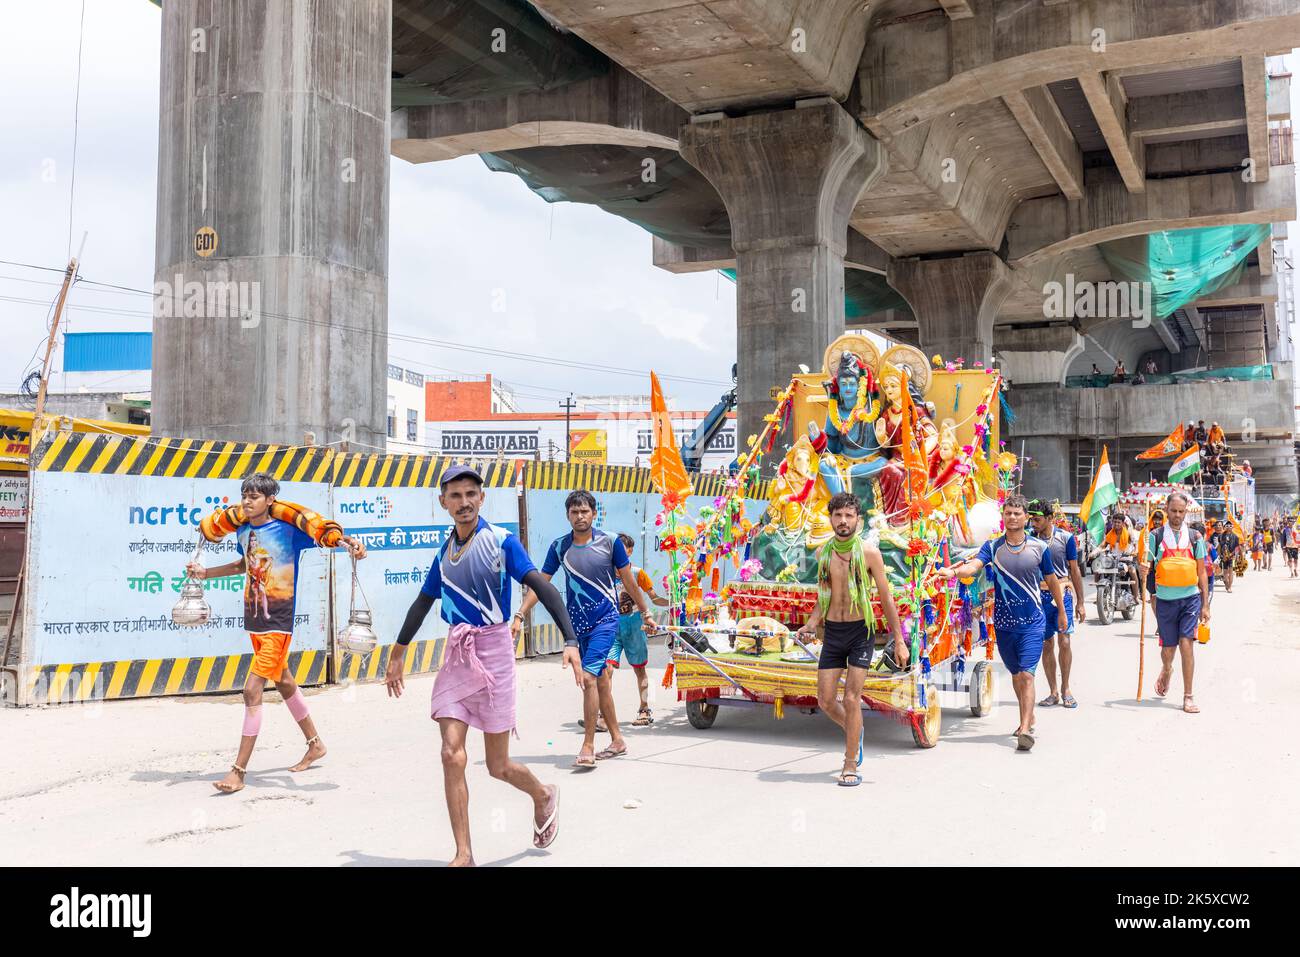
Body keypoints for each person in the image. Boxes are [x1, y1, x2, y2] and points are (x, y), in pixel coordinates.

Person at [384, 464, 578, 865]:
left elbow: (541, 585)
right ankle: (464, 853)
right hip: (458, 654)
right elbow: (423, 602)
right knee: (450, 754)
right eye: (455, 496)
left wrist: (570, 639)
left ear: (482, 498)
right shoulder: (444, 552)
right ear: (443, 503)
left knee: (497, 765)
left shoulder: (501, 541)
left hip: (494, 653)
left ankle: (542, 794)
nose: (464, 502)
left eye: (471, 494)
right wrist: (398, 651)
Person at [186, 472, 368, 795]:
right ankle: (315, 743)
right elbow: (244, 565)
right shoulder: (243, 529)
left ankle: (238, 771)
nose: (247, 501)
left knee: (252, 690)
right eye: (244, 495)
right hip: (254, 620)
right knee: (283, 681)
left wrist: (349, 543)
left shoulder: (288, 529)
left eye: (254, 496)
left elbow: (324, 536)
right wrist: (206, 573)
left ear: (270, 500)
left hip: (278, 623)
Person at [516, 489, 656, 768]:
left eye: (585, 511)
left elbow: (629, 581)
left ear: (594, 513)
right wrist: (520, 614)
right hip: (577, 624)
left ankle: (588, 745)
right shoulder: (559, 547)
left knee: (589, 680)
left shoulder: (611, 542)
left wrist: (646, 612)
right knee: (602, 680)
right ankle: (617, 739)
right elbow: (541, 584)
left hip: (606, 620)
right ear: (568, 515)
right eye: (574, 512)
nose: (580, 516)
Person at [938, 494, 1066, 752]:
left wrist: (1061, 611)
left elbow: (1052, 582)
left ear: (1026, 517)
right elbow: (973, 566)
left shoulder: (1040, 549)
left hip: (1033, 622)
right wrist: (952, 572)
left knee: (1027, 676)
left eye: (1017, 513)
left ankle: (1025, 727)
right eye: (1008, 513)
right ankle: (1028, 715)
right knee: (1017, 676)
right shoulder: (993, 547)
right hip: (1005, 624)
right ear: (1003, 517)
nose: (1012, 517)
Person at [796, 493, 905, 786]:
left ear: (858, 519)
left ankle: (849, 763)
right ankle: (854, 730)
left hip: (860, 632)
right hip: (833, 632)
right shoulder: (822, 554)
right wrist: (811, 622)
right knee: (826, 700)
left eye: (849, 515)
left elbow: (885, 597)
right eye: (838, 515)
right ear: (830, 518)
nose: (843, 521)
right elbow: (823, 596)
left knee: (852, 699)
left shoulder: (870, 553)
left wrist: (899, 639)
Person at [1146, 491, 1210, 713]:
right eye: (1173, 511)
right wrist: (1143, 568)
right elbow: (1147, 565)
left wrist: (1205, 605)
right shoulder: (1155, 535)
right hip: (1164, 600)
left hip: (1190, 599)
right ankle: (1166, 669)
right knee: (1168, 649)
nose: (1176, 515)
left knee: (1186, 644)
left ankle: (1188, 695)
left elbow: (1202, 572)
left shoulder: (1195, 537)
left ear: (1186, 512)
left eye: (1181, 511)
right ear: (1166, 510)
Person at [603, 532, 670, 727]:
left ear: (630, 552)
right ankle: (603, 715)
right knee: (606, 670)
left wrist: (673, 602)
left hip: (634, 625)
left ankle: (645, 709)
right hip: (612, 626)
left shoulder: (637, 573)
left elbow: (654, 597)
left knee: (640, 670)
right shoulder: (604, 572)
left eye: (622, 551)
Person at [1027, 501, 1086, 709]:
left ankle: (1066, 688)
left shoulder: (1066, 538)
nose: (1034, 523)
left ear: (1050, 519)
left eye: (1038, 519)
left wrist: (1080, 602)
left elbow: (1075, 569)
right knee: (1047, 644)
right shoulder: (1029, 540)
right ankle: (1053, 691)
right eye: (1032, 519)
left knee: (1065, 642)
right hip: (1039, 597)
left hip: (1062, 594)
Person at [1217, 522, 1241, 592]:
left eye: (1230, 526)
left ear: (1232, 527)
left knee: (1230, 571)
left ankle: (1230, 586)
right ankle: (1227, 584)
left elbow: (1237, 548)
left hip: (1231, 556)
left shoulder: (1235, 537)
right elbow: (1219, 546)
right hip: (1223, 556)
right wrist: (1219, 555)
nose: (1228, 527)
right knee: (1224, 572)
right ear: (1224, 527)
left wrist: (1235, 555)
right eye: (1227, 526)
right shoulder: (1221, 536)